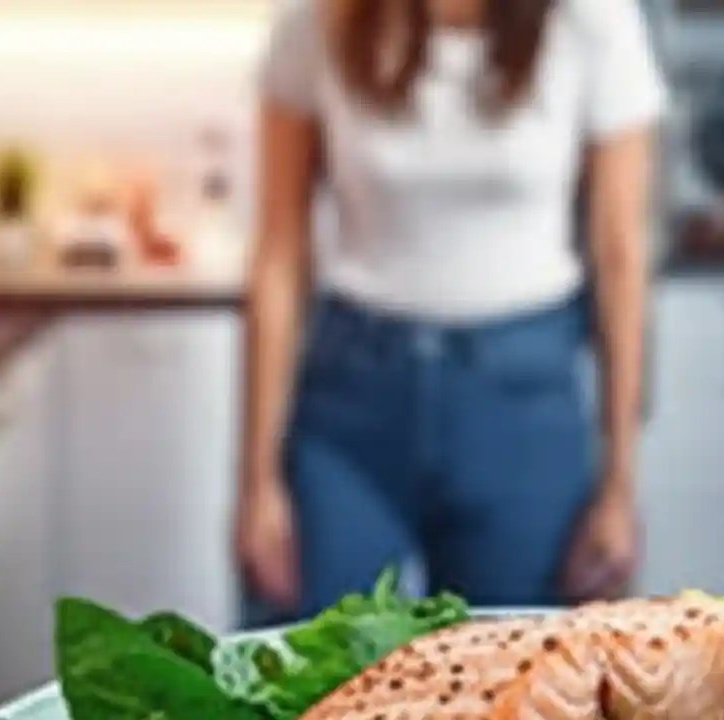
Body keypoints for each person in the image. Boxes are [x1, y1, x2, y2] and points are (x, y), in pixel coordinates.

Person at [238, 0, 666, 626]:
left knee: (517, 670)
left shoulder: (592, 19)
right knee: (307, 664)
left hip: (523, 405)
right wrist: (257, 483)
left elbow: (621, 257)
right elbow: (279, 251)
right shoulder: (319, 20)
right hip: (351, 400)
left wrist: (620, 484)